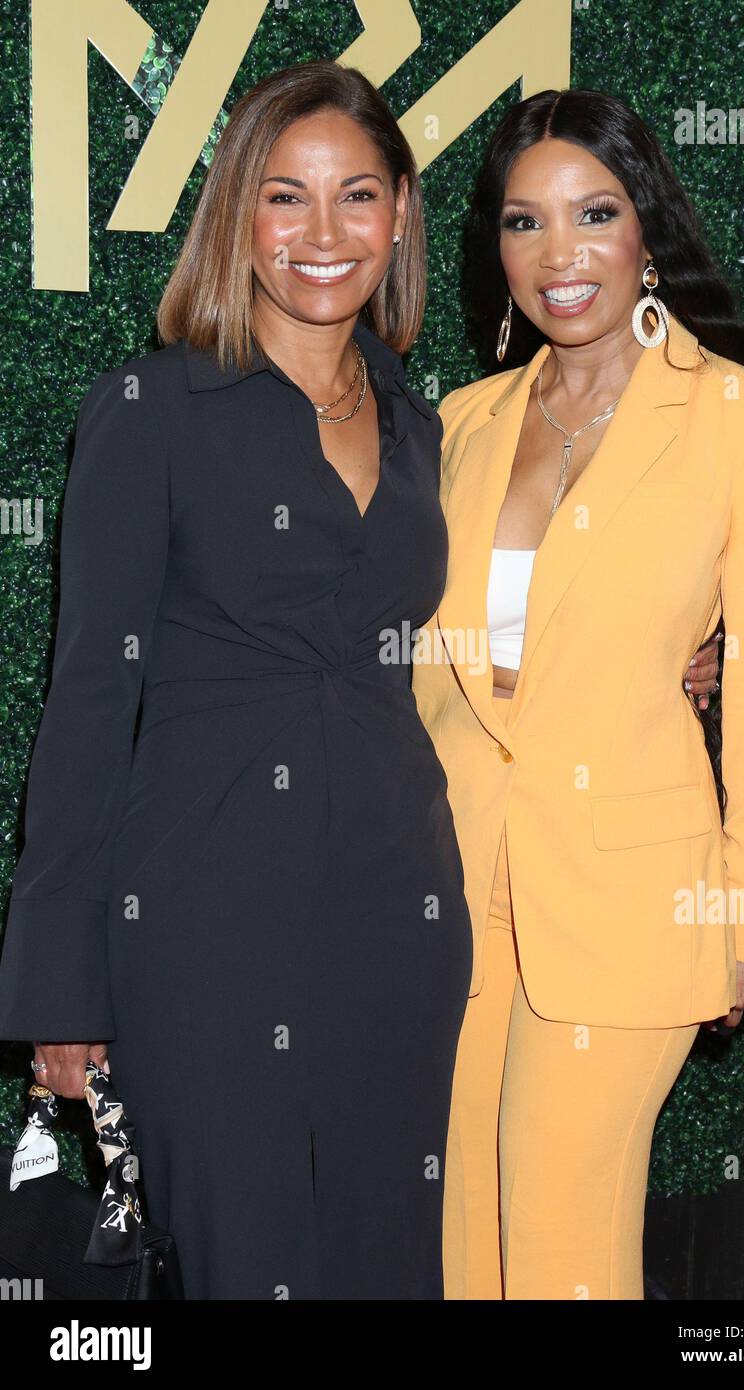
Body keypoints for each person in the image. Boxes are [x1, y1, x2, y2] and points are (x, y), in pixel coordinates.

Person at [0, 61, 476, 1301]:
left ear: (399, 216)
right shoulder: (151, 409)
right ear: (235, 215)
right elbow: (88, 704)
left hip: (397, 915)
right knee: (235, 1262)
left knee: (384, 1264)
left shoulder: (419, 428)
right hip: (203, 923)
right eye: (286, 197)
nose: (324, 235)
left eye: (357, 196)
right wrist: (62, 988)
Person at [410, 88, 744, 1300]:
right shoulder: (461, 423)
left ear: (643, 225)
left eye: (592, 214)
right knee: (465, 1242)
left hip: (636, 896)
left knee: (558, 1249)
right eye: (523, 224)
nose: (558, 255)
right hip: (459, 890)